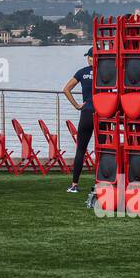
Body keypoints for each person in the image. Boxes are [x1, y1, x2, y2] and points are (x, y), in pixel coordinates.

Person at [62, 48, 95, 194]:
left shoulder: (82, 72)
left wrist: (76, 105)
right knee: (105, 151)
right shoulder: (108, 73)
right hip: (104, 114)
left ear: (89, 58)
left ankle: (74, 184)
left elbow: (66, 89)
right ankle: (104, 182)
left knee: (81, 149)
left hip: (86, 113)